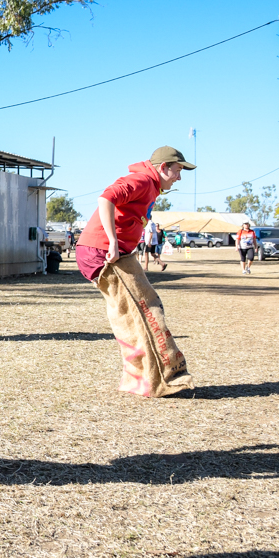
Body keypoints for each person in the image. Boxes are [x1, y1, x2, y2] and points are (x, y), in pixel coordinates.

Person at [74, 147, 195, 399]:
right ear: (163, 167)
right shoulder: (141, 180)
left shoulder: (151, 186)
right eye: (177, 171)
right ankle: (149, 379)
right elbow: (106, 199)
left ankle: (140, 378)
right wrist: (114, 241)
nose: (179, 177)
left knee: (137, 310)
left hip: (113, 252)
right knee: (141, 311)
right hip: (102, 251)